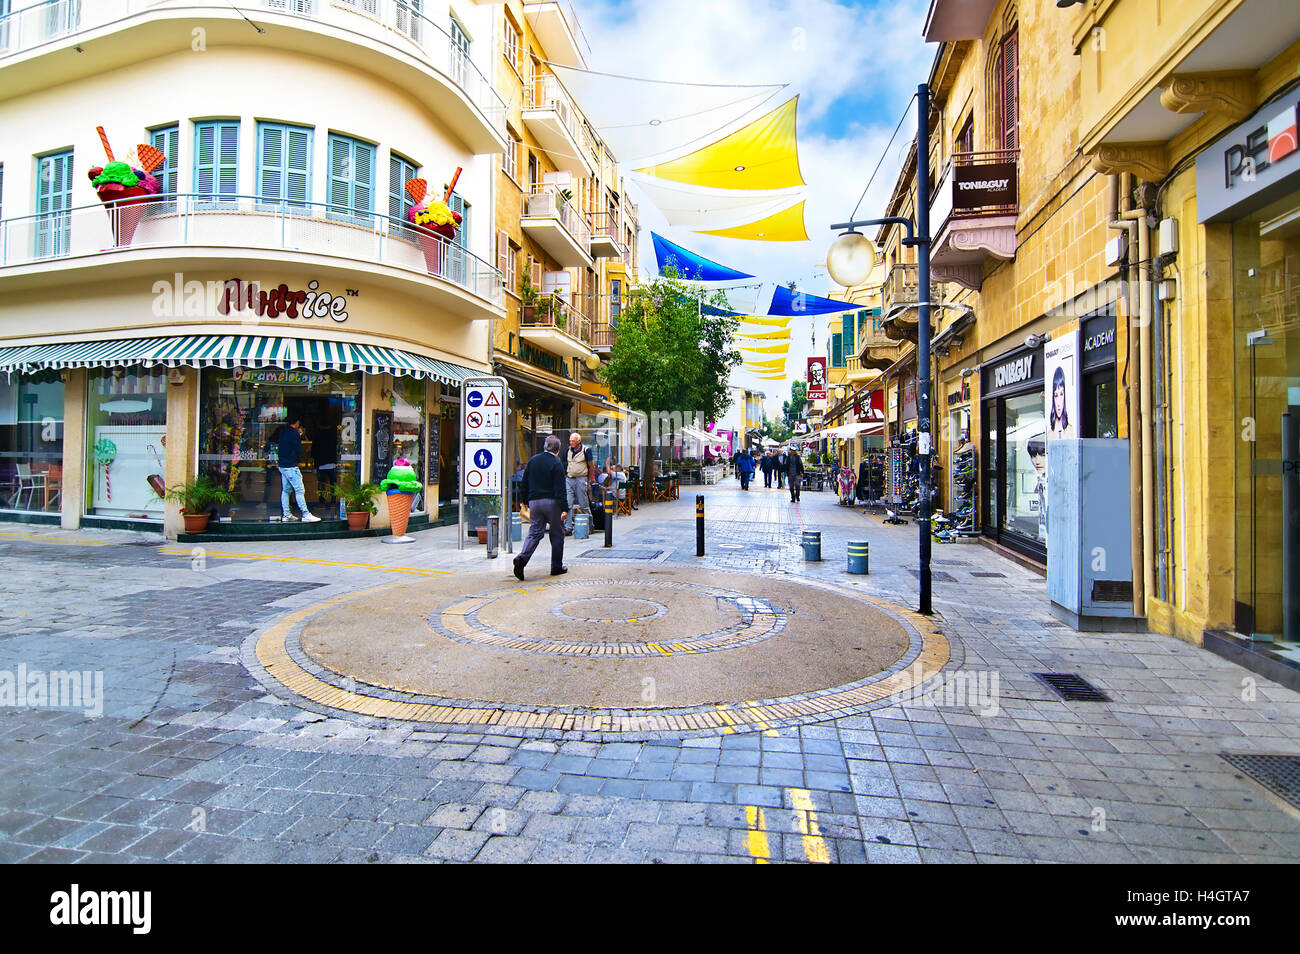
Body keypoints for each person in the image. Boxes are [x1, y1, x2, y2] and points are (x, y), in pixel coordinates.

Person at [513, 435, 569, 580]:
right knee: (557, 533)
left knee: (535, 533)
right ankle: (556, 567)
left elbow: (524, 482)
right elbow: (560, 488)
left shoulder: (532, 460)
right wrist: (564, 508)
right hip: (552, 503)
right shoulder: (556, 464)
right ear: (558, 449)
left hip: (534, 503)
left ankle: (522, 558)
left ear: (545, 446)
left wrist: (524, 500)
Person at [275, 420, 321, 523]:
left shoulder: (282, 432)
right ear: (296, 423)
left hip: (282, 466)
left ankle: (286, 515)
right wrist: (299, 435)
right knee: (300, 490)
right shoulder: (294, 433)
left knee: (286, 491)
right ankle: (305, 514)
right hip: (291, 466)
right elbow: (299, 450)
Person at [562, 431, 594, 535]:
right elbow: (564, 463)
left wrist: (588, 479)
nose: (571, 442)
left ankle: (589, 525)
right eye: (570, 441)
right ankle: (568, 527)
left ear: (578, 441)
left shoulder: (586, 450)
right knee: (568, 503)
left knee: (583, 503)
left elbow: (591, 466)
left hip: (581, 478)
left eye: (573, 441)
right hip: (570, 478)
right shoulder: (568, 450)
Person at [1049, 366, 1073, 438]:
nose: (1058, 403)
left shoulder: (1071, 430)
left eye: (1061, 394)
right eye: (1056, 395)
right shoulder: (1050, 433)